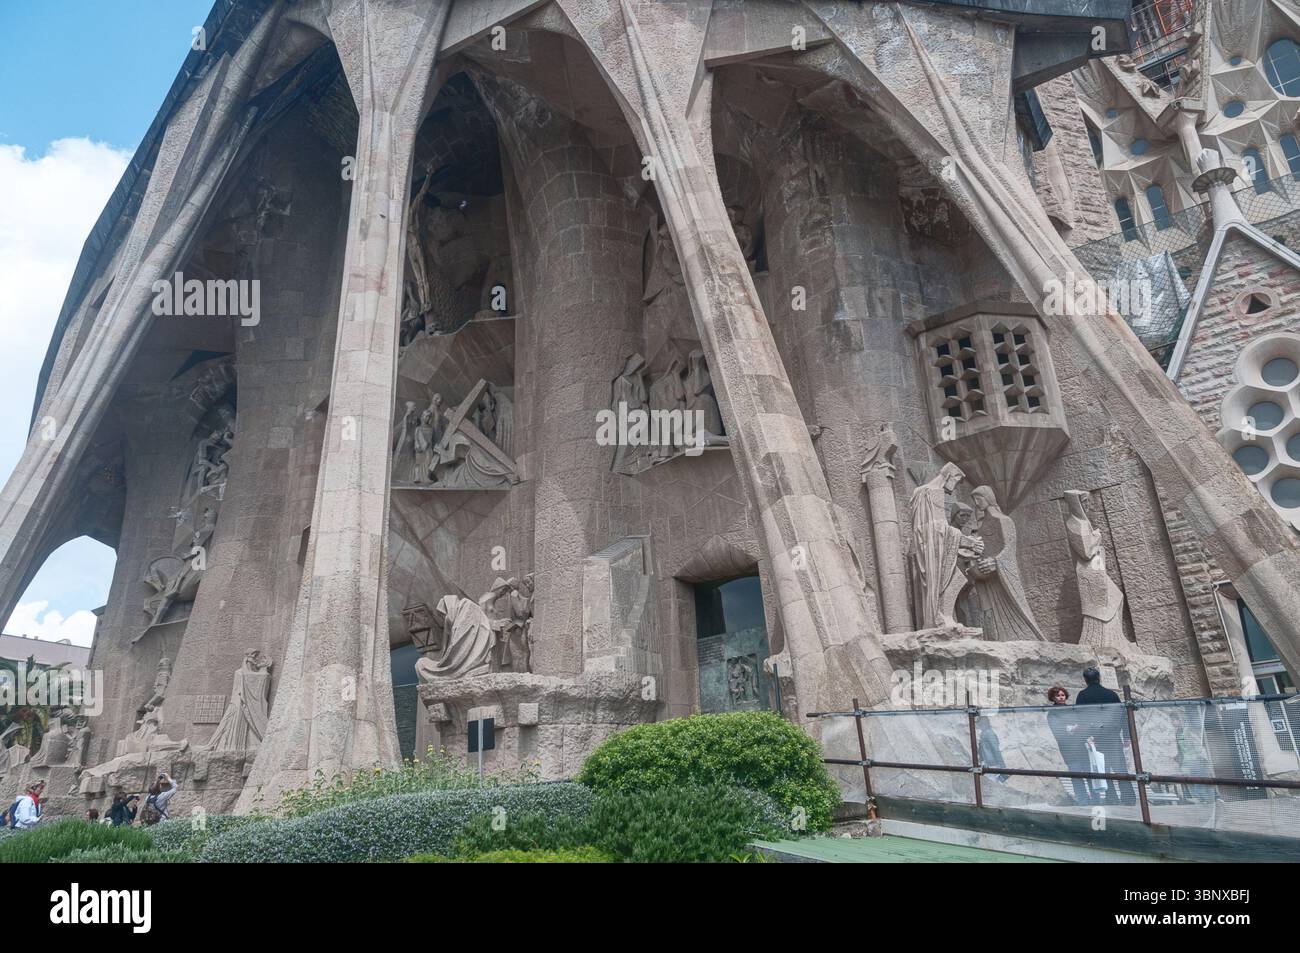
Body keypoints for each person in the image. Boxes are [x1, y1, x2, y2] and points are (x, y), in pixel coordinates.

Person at [1075, 667, 1137, 805]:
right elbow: (1123, 716)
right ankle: (1128, 798)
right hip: (1113, 737)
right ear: (1099, 678)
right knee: (1120, 769)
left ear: (1085, 680)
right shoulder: (1111, 694)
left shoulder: (1083, 695)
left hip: (1095, 739)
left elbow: (1082, 718)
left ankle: (1112, 798)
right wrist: (1126, 736)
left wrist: (1088, 736)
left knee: (1103, 769)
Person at [1046, 685, 1092, 805]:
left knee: (1089, 773)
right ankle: (1083, 801)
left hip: (1081, 745)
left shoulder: (1072, 709)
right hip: (1068, 748)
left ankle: (1095, 799)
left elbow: (1082, 723)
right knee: (1075, 774)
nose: (1061, 698)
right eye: (1058, 695)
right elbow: (1057, 731)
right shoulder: (1052, 714)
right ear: (1053, 698)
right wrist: (1070, 728)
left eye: (1062, 695)